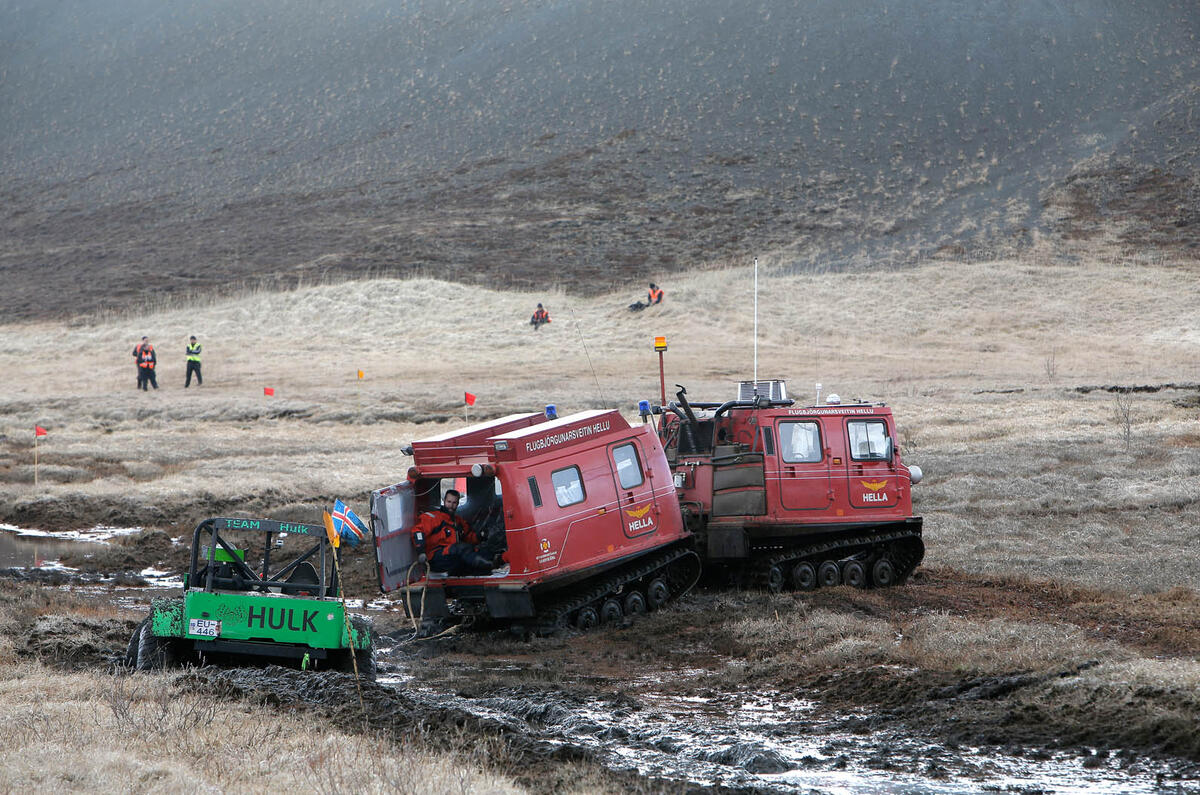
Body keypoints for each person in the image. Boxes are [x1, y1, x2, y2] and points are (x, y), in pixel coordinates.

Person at [417, 489, 498, 575]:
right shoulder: (432, 518)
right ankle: (486, 565)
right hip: (436, 557)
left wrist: (480, 536)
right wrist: (421, 551)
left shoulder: (458, 521)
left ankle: (495, 564)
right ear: (444, 501)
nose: (451, 505)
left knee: (483, 552)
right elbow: (418, 532)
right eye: (449, 502)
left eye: (454, 503)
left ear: (458, 503)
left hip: (454, 557)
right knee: (460, 548)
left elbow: (469, 537)